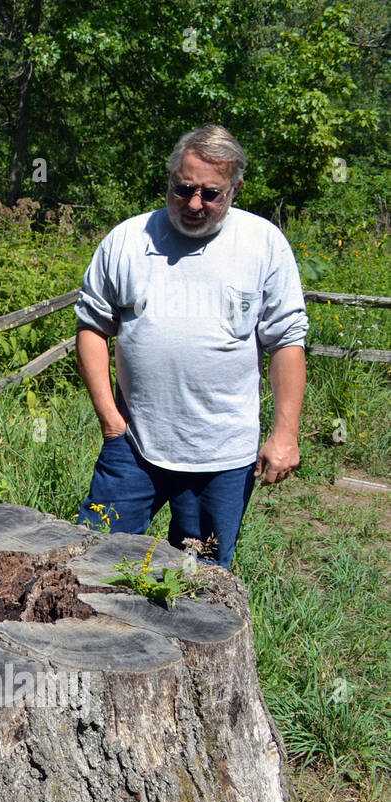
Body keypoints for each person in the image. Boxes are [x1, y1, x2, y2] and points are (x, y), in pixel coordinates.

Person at [74, 124, 307, 567]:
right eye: (183, 189)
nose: (195, 204)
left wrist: (285, 435)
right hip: (134, 443)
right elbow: (92, 326)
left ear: (235, 189)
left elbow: (287, 342)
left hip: (222, 453)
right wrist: (110, 420)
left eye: (211, 193)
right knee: (93, 560)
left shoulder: (262, 245)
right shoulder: (127, 241)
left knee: (200, 578)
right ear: (169, 179)